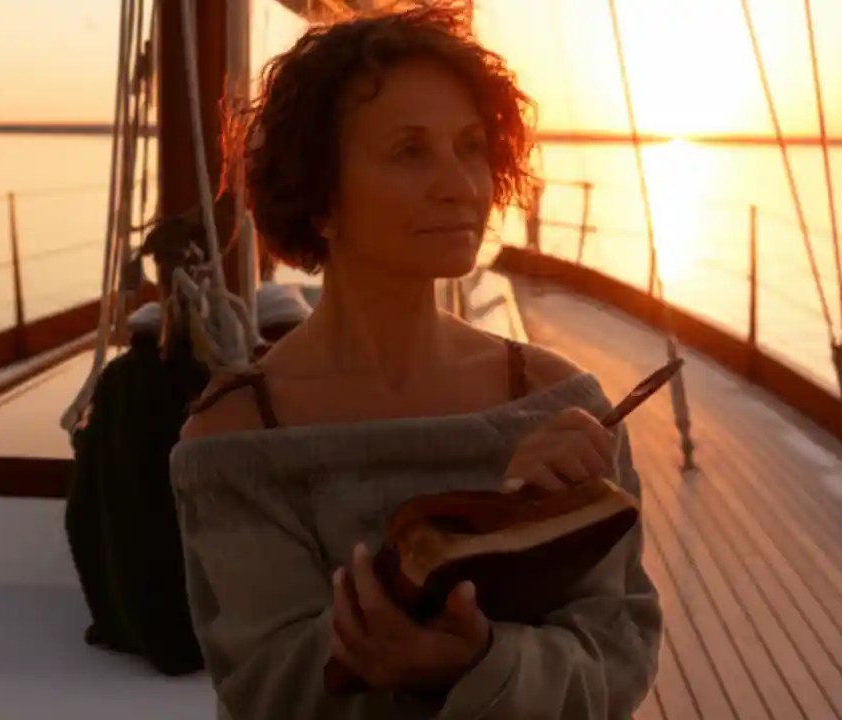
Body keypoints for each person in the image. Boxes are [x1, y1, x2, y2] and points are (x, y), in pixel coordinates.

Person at [169, 5, 662, 718]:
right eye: (410, 151)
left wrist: (474, 660)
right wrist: (495, 529)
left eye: (470, 146)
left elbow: (617, 659)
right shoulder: (238, 437)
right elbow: (266, 691)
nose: (460, 184)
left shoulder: (559, 401)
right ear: (320, 197)